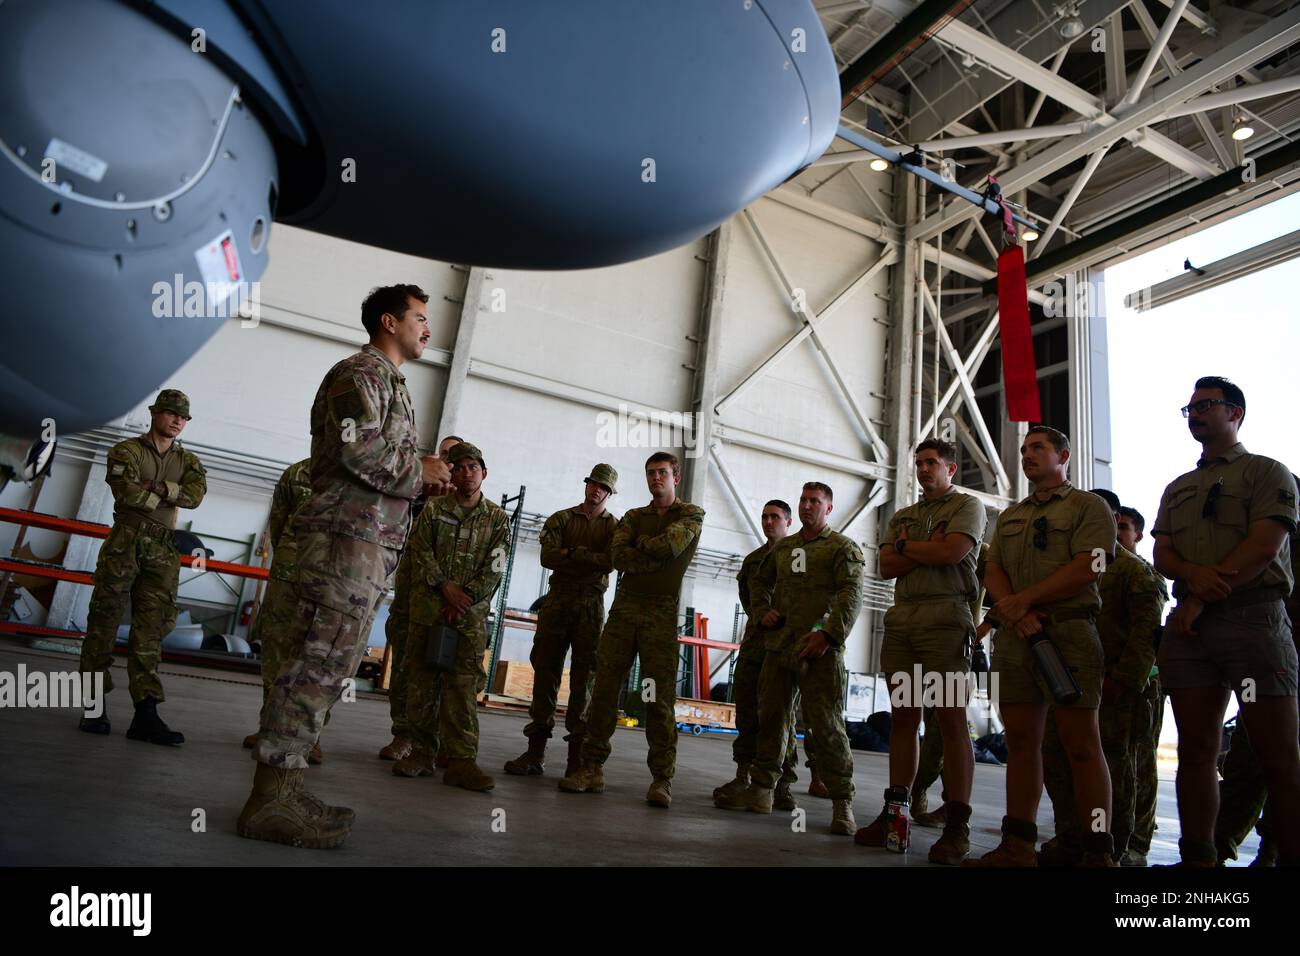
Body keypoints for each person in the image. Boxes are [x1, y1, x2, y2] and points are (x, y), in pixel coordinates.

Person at [236, 284, 449, 849]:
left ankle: (285, 787)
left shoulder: (392, 384)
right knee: (313, 666)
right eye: (420, 318)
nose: (428, 329)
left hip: (362, 551)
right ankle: (269, 800)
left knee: (328, 669)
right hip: (339, 548)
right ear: (389, 321)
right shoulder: (360, 375)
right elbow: (358, 450)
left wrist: (422, 481)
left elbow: (379, 464)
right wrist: (420, 469)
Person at [1153, 377, 1300, 867]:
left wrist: (1197, 598)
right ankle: (1199, 858)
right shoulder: (1178, 487)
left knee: (1275, 753)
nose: (1195, 414)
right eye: (1189, 408)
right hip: (1192, 636)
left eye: (1206, 405)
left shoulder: (1267, 473)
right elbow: (1163, 551)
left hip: (1252, 624)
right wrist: (1192, 579)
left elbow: (1263, 547)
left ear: (1235, 413)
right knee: (1196, 750)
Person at [964, 425, 1117, 867]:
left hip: (1067, 633)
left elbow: (1090, 564)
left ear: (1062, 455)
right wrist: (1016, 609)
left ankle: (1097, 851)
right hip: (1017, 638)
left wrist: (1023, 601)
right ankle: (1017, 845)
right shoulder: (1010, 516)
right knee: (1022, 743)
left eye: (1038, 448)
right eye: (1025, 449)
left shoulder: (1089, 507)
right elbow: (991, 568)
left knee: (1082, 745)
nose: (1028, 455)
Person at [857, 439, 986, 864]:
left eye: (932, 463)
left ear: (951, 468)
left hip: (947, 620)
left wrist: (905, 548)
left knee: (950, 721)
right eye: (919, 463)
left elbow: (953, 551)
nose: (924, 469)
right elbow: (886, 567)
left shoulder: (967, 507)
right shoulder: (904, 516)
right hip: (904, 619)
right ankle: (895, 815)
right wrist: (913, 551)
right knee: (903, 720)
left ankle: (957, 826)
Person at [559, 452, 705, 808]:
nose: (656, 479)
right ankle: (591, 768)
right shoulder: (633, 516)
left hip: (660, 611)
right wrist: (648, 552)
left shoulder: (690, 515)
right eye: (651, 473)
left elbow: (670, 545)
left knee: (657, 699)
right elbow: (618, 557)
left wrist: (642, 547)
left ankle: (661, 779)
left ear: (676, 477)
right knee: (605, 689)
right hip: (624, 609)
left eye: (662, 473)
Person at [728, 481, 865, 836]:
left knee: (826, 726)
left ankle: (841, 802)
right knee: (771, 717)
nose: (806, 506)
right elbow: (758, 582)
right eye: (803, 500)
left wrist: (829, 634)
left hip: (819, 649)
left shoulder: (841, 548)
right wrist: (762, 612)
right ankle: (763, 790)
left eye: (814, 501)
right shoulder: (785, 548)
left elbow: (851, 595)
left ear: (828, 508)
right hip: (779, 647)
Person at [1039, 489, 1164, 866]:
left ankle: (1114, 844)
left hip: (1113, 687)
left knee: (1116, 768)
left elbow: (1147, 636)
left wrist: (1123, 681)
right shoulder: (1068, 565)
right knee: (1057, 761)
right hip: (1067, 681)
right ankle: (1071, 837)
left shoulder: (1133, 571)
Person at [77, 388, 207, 745]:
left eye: (183, 417)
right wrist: (169, 492)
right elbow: (127, 494)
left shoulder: (189, 461)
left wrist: (158, 487)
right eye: (171, 414)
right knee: (104, 621)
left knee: (151, 631)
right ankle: (92, 706)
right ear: (155, 413)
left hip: (163, 549)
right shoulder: (126, 451)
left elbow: (195, 495)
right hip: (126, 542)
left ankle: (145, 713)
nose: (178, 421)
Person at [393, 442, 509, 790]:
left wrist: (465, 597)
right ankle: (421, 753)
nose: (467, 472)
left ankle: (461, 761)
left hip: (469, 618)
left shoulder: (498, 518)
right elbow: (420, 551)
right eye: (459, 467)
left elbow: (496, 565)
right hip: (429, 609)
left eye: (474, 466)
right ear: (452, 474)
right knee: (422, 684)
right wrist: (445, 587)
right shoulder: (433, 510)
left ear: (484, 473)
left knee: (462, 687)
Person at [504, 464, 618, 777]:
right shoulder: (562, 518)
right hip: (558, 600)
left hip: (590, 605)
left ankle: (575, 761)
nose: (597, 490)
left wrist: (573, 554)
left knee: (585, 678)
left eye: (603, 488)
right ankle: (535, 752)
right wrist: (586, 559)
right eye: (594, 484)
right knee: (545, 671)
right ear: (587, 485)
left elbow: (611, 562)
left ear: (609, 493)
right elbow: (547, 557)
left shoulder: (615, 527)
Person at [379, 434, 464, 762]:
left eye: (457, 457)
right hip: (410, 596)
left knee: (443, 672)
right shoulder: (416, 494)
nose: (450, 462)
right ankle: (403, 735)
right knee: (403, 667)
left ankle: (435, 741)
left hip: (446, 601)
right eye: (445, 455)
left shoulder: (466, 504)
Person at [713, 500, 801, 811]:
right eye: (764, 516)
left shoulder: (798, 556)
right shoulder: (753, 561)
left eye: (775, 517)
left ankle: (783, 784)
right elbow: (747, 598)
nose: (768, 522)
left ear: (788, 522)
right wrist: (761, 617)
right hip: (755, 643)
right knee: (747, 709)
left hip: (785, 644)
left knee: (781, 716)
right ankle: (743, 775)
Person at [241, 458, 317, 760]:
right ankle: (270, 727)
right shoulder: (297, 473)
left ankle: (311, 735)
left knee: (318, 655)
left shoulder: (358, 475)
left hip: (328, 580)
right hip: (288, 575)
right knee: (275, 649)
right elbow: (279, 520)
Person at [1115, 504, 1171, 867]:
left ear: (1137, 534)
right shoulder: (1099, 571)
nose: (1118, 532)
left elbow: (1145, 638)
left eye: (1124, 527)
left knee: (1139, 765)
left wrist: (1129, 680)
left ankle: (1137, 841)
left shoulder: (1143, 574)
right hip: (1106, 679)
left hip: (1140, 683)